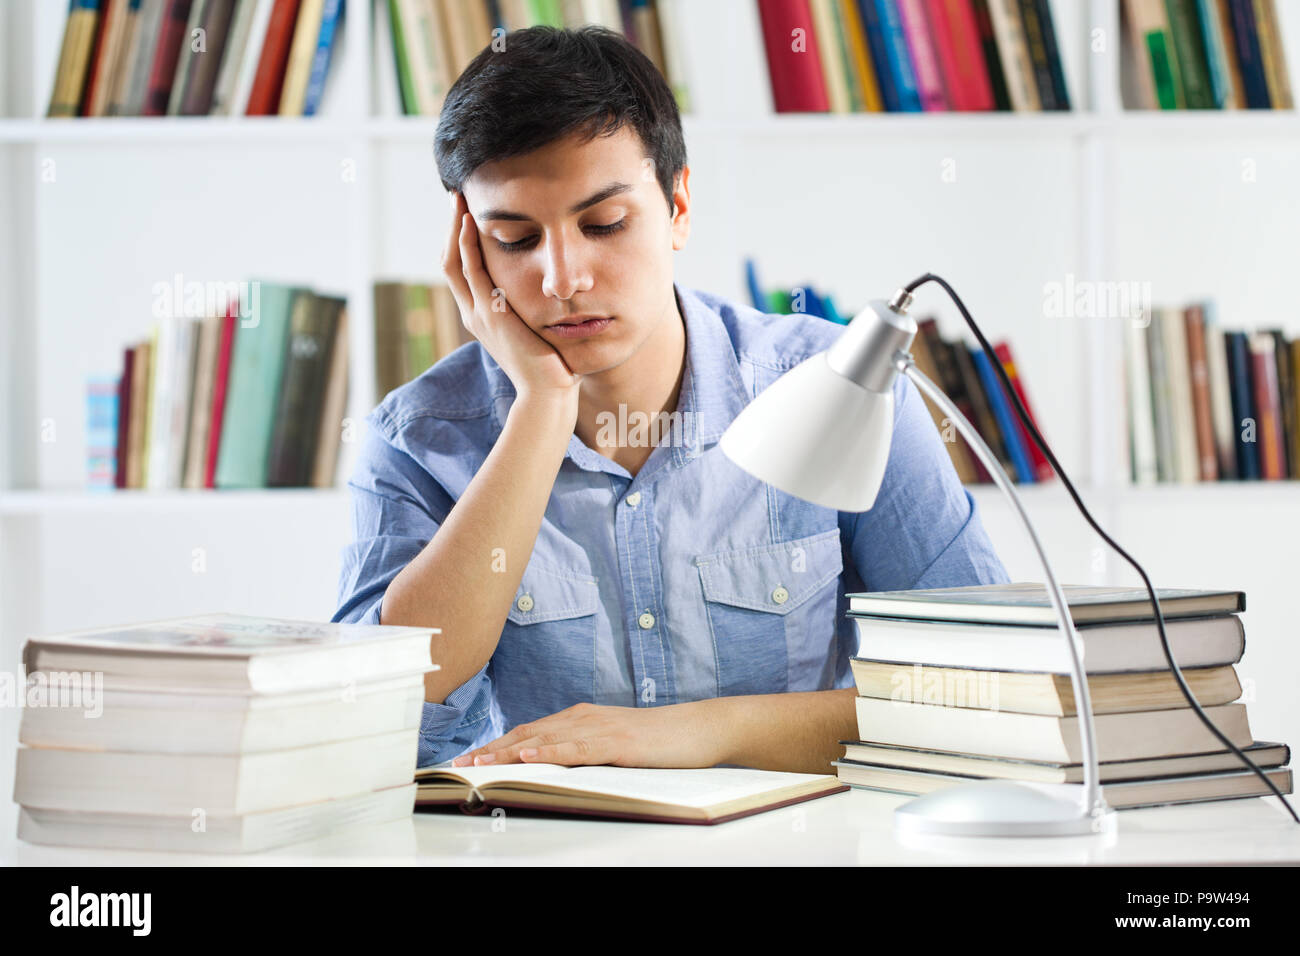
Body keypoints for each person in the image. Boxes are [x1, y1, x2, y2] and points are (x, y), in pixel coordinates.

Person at [332, 25, 1009, 773]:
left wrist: (703, 733)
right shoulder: (416, 441)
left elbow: (983, 691)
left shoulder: (836, 388)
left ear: (678, 206)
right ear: (471, 252)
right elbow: (379, 736)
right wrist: (541, 407)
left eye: (605, 224)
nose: (564, 279)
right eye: (517, 239)